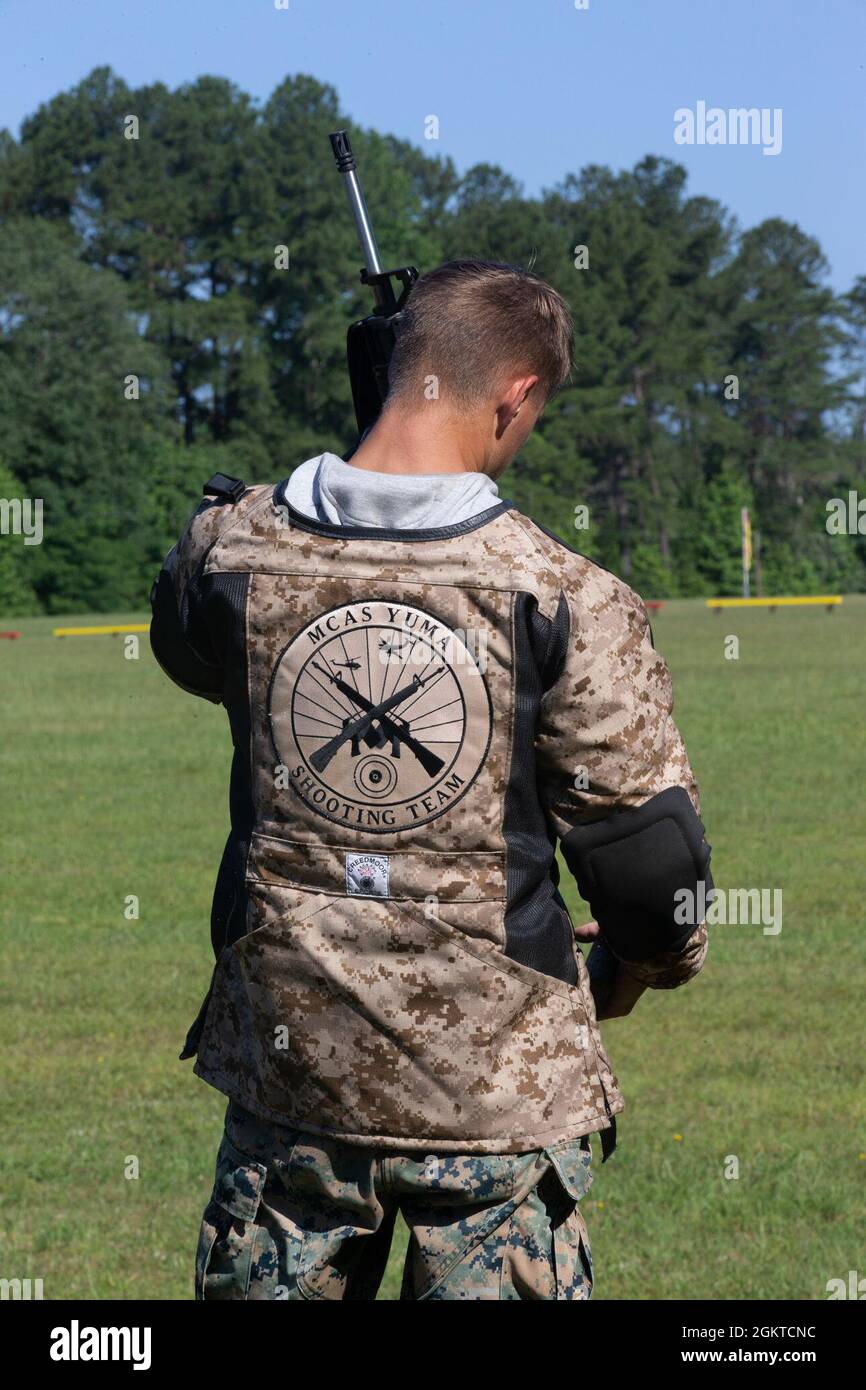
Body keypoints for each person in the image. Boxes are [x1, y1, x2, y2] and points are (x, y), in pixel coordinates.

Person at [150, 259, 711, 1301]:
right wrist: (637, 972)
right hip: (495, 1109)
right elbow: (646, 864)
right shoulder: (567, 596)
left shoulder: (225, 551)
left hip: (291, 1082)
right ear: (517, 396)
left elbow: (189, 652)